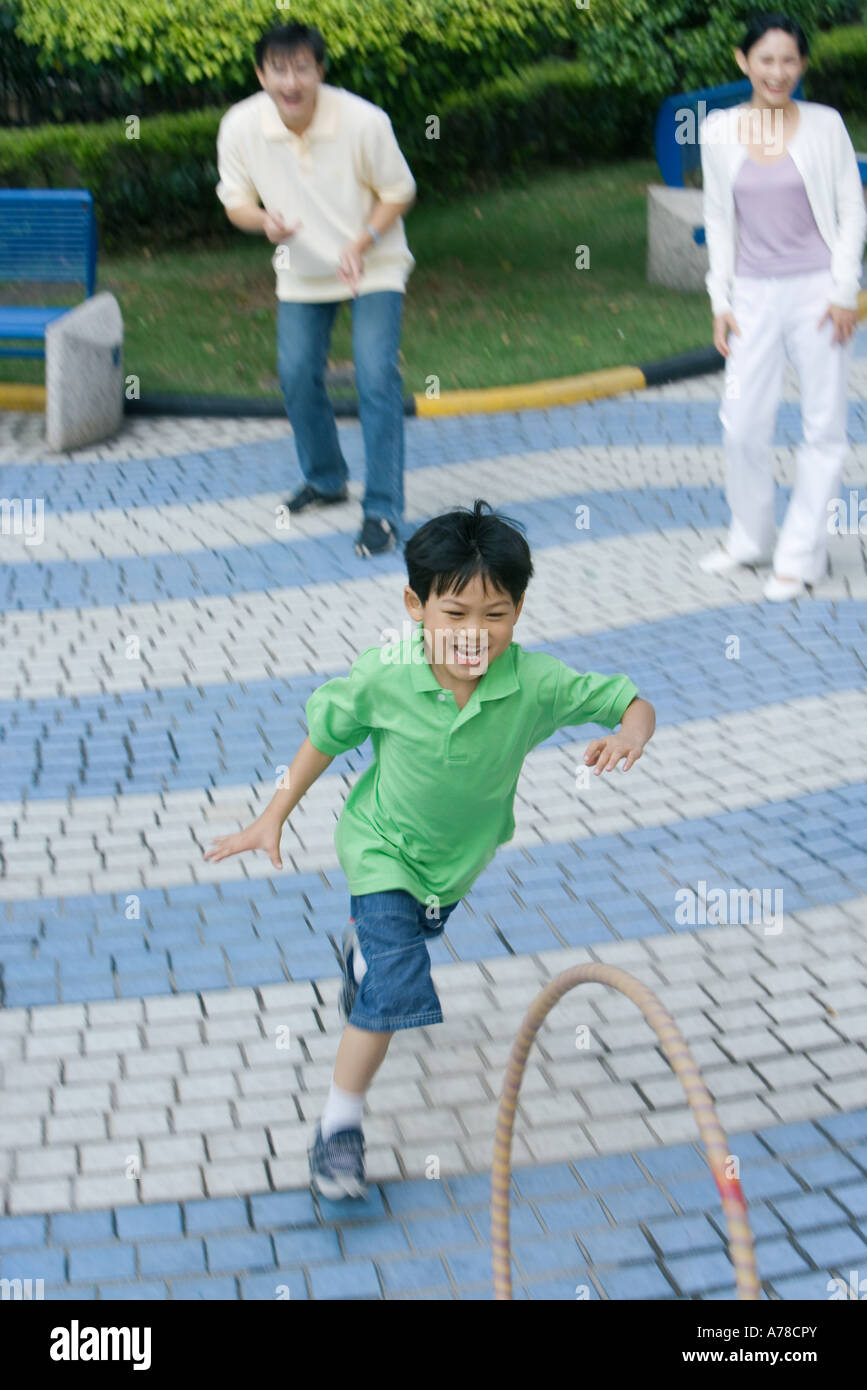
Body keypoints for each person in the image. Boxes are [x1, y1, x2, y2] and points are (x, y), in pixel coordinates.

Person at [203, 499, 656, 1198]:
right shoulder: (386, 674)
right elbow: (325, 736)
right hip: (380, 848)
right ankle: (338, 1128)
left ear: (519, 610)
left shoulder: (533, 685)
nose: (474, 635)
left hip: (454, 868)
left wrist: (630, 734)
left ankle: (361, 953)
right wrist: (273, 817)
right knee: (393, 989)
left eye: (494, 615)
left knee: (401, 947)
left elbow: (629, 700)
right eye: (455, 614)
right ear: (415, 605)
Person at [215, 22, 416, 557]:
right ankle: (326, 478)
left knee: (376, 376)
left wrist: (363, 241)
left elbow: (400, 190)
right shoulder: (240, 126)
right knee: (297, 373)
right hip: (302, 269)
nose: (291, 81)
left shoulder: (363, 121)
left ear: (319, 71)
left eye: (302, 67)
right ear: (261, 74)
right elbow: (234, 202)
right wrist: (264, 223)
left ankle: (382, 511)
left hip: (372, 262)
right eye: (278, 69)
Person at [699, 12, 867, 601]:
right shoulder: (719, 130)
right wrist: (720, 300)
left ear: (802, 65)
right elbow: (718, 219)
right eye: (766, 60)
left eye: (789, 60)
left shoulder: (825, 125)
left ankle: (800, 557)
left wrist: (846, 292)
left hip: (819, 293)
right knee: (742, 422)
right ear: (744, 62)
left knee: (823, 426)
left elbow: (853, 210)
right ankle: (750, 536)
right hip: (752, 294)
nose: (778, 72)